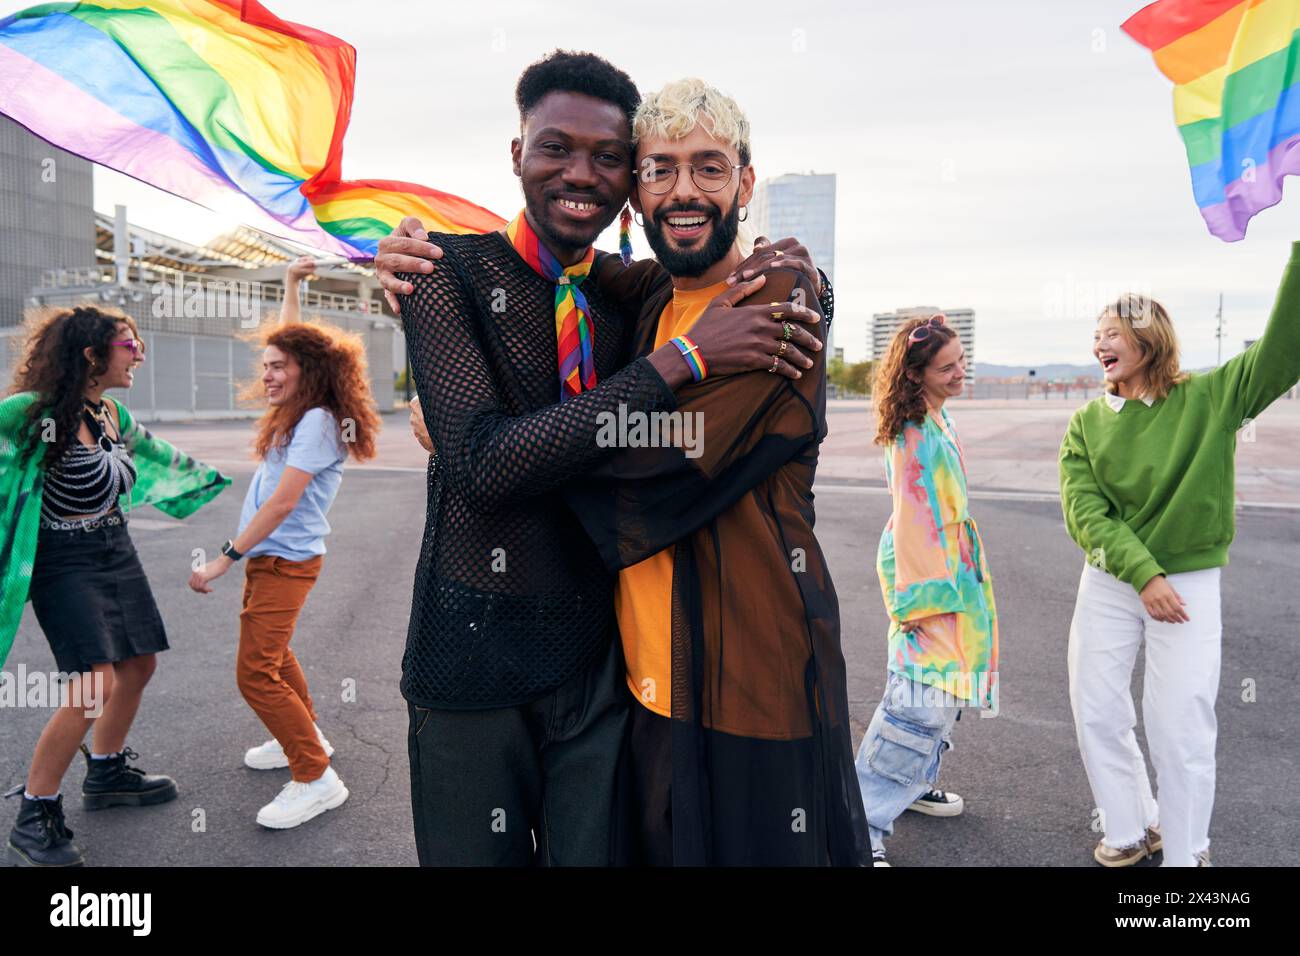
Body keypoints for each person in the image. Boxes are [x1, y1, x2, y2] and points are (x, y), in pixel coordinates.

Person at [383, 50, 827, 866]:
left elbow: (649, 432)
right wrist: (682, 360)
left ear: (627, 181)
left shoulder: (631, 295)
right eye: (555, 148)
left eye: (610, 157)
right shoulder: (447, 277)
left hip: (600, 672)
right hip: (472, 656)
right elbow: (483, 469)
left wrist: (803, 280)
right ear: (517, 154)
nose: (580, 173)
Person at [545, 77, 865, 865]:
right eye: (659, 169)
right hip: (647, 685)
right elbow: (548, 252)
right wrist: (426, 259)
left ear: (745, 183)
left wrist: (524, 452)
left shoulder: (776, 295)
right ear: (635, 191)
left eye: (709, 167)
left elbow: (660, 462)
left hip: (752, 686)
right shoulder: (654, 295)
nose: (683, 190)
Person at [1059, 242, 1300, 868]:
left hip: (1187, 585)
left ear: (1148, 341)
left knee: (1179, 724)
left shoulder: (1211, 398)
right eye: (1096, 335)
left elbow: (1281, 352)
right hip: (1113, 580)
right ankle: (1128, 825)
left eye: (1111, 334)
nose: (1099, 346)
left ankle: (1187, 852)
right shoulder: (1087, 422)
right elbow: (1086, 514)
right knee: (1098, 708)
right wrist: (1142, 574)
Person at [1, 306, 230, 866]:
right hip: (60, 560)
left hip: (114, 548)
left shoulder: (110, 413)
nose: (140, 352)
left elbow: (158, 458)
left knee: (139, 663)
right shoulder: (26, 412)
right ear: (91, 354)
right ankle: (35, 813)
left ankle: (104, 773)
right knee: (93, 684)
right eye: (130, 343)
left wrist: (224, 486)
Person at [188, 269, 380, 830]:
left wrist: (225, 556)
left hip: (284, 561)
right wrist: (292, 283)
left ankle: (316, 777)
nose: (267, 375)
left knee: (254, 673)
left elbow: (281, 505)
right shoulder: (305, 411)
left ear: (307, 372)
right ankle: (304, 734)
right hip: (275, 561)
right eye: (265, 365)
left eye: (278, 367)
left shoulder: (319, 423)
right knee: (274, 657)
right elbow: (291, 334)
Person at [853, 313, 998, 867]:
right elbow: (913, 520)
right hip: (929, 580)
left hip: (950, 575)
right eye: (948, 366)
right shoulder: (914, 435)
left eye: (962, 360)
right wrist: (917, 602)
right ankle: (861, 823)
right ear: (917, 375)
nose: (961, 371)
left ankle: (908, 786)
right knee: (916, 703)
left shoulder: (939, 417)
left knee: (942, 692)